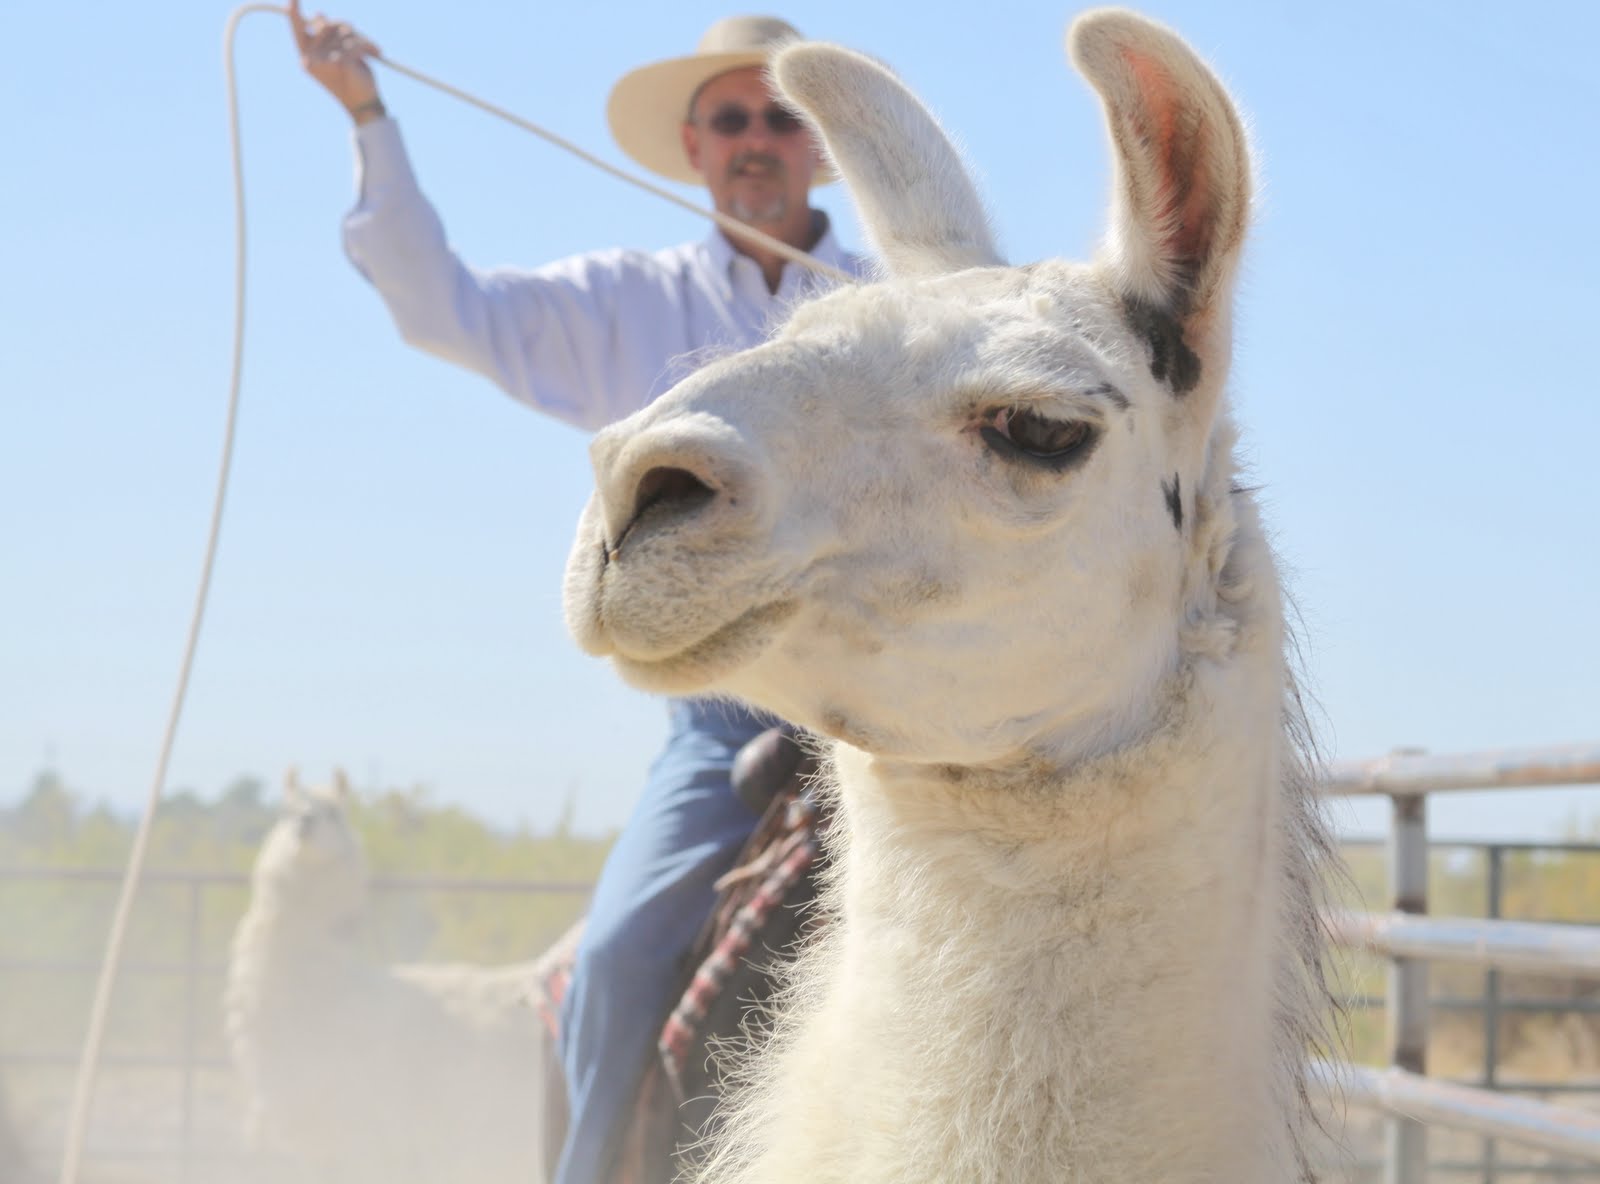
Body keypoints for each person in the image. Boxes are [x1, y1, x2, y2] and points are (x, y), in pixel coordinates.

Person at [288, 6, 867, 1183]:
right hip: (729, 728)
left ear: (818, 145)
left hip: (894, 701)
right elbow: (444, 307)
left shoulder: (892, 304)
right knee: (610, 961)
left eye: (777, 116)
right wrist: (367, 117)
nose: (754, 138)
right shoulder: (631, 304)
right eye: (729, 118)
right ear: (695, 147)